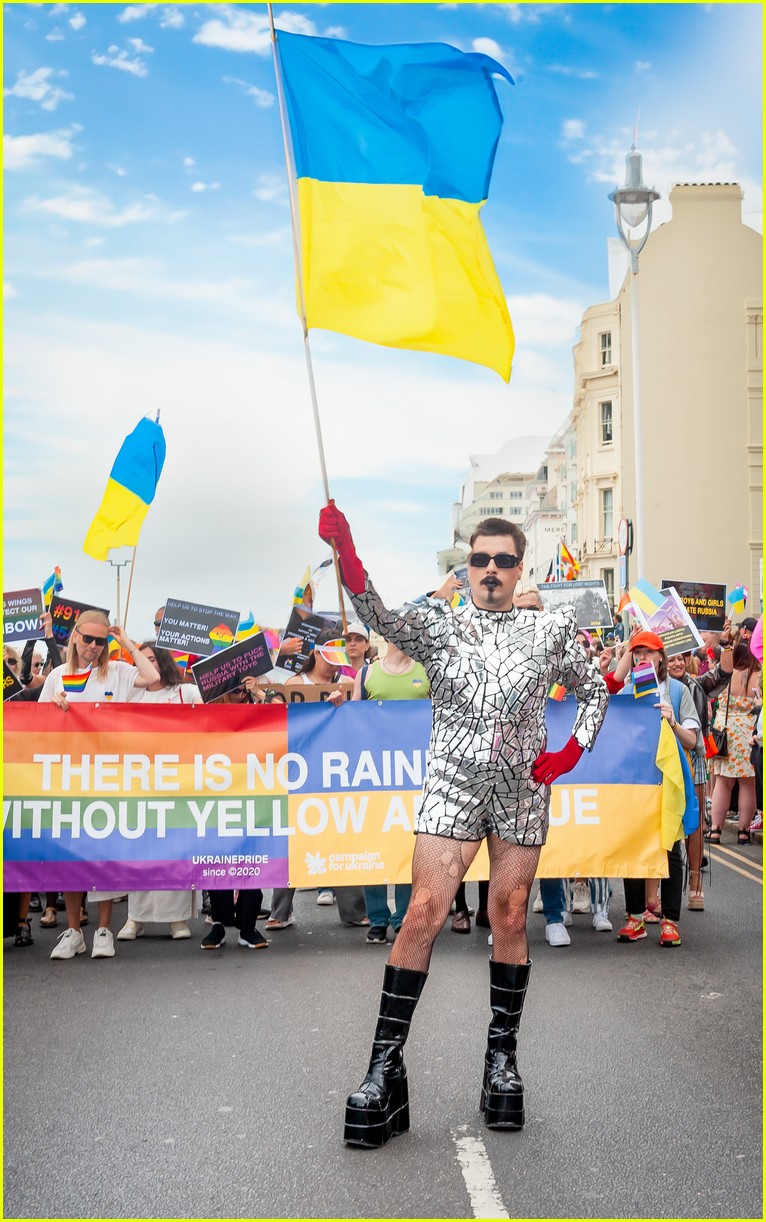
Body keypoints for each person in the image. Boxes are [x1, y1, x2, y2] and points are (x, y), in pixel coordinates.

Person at [318, 502, 609, 1146]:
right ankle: (383, 1069)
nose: (491, 570)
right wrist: (348, 557)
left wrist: (569, 751)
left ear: (519, 568)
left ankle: (500, 1062)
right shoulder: (440, 627)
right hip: (451, 788)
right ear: (467, 565)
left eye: (504, 561)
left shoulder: (550, 631)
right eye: (481, 559)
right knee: (423, 910)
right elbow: (380, 620)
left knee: (508, 914)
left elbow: (596, 687)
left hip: (520, 795)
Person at [38, 610, 160, 960]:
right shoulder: (57, 677)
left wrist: (127, 643)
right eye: (88, 638)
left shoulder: (118, 672)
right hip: (67, 777)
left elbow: (151, 676)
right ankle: (74, 931)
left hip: (107, 777)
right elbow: (39, 726)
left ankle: (104, 929)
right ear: (75, 636)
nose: (93, 646)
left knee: (103, 855)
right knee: (70, 857)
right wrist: (54, 707)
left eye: (100, 641)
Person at [607, 631, 700, 948]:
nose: (641, 657)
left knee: (672, 848)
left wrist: (672, 722)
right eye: (636, 653)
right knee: (632, 846)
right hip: (635, 781)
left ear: (661, 656)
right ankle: (634, 918)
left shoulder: (676, 690)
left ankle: (670, 922)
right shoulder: (629, 691)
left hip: (669, 781)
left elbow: (693, 741)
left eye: (648, 652)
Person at [352, 639, 431, 944]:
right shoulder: (367, 674)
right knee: (374, 841)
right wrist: (337, 703)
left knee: (406, 842)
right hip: (374, 770)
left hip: (414, 771)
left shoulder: (425, 671)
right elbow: (352, 715)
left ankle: (402, 917)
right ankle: (377, 918)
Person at [666, 630, 733, 908]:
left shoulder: (696, 685)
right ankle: (657, 891)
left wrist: (727, 643)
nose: (676, 663)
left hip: (693, 759)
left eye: (681, 658)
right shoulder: (654, 686)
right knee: (666, 824)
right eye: (670, 659)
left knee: (694, 825)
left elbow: (724, 674)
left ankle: (695, 885)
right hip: (663, 761)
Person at [708, 642, 762, 845]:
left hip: (727, 732)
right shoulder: (759, 676)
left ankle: (715, 830)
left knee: (723, 782)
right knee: (748, 783)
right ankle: (744, 832)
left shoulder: (727, 676)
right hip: (750, 733)